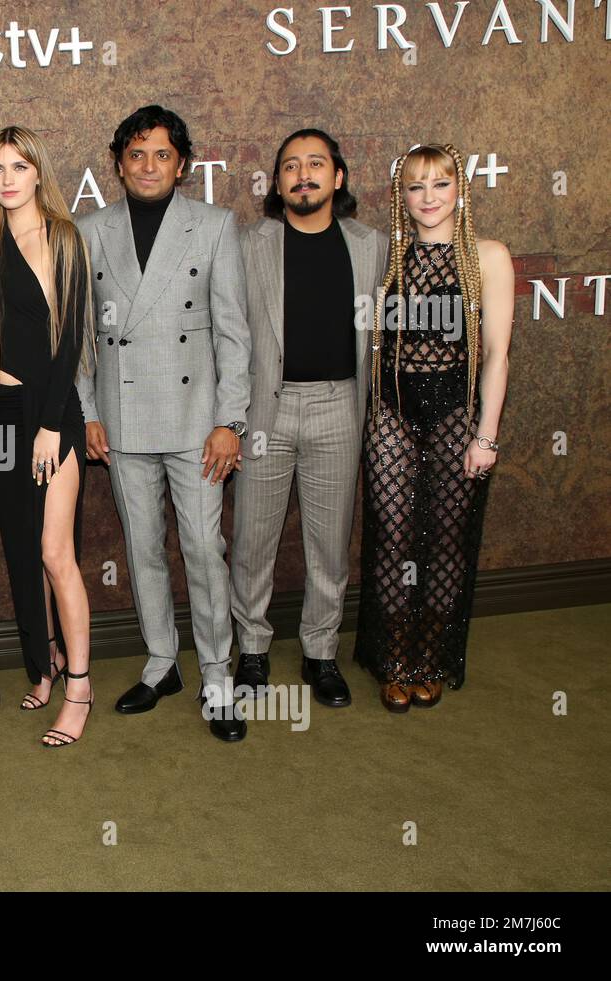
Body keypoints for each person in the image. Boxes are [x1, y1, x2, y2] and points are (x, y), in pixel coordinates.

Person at [75, 105, 252, 741]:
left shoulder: (214, 225)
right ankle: (159, 661)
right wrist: (88, 411)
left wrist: (231, 419)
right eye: (136, 154)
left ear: (183, 165)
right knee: (143, 546)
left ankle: (216, 674)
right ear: (119, 164)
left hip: (197, 418)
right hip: (121, 418)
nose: (148, 166)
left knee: (205, 548)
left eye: (162, 155)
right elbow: (79, 338)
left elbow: (233, 333)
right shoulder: (89, 229)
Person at [230, 129, 387, 711]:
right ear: (277, 182)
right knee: (251, 539)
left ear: (337, 177)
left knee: (330, 543)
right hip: (265, 407)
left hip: (340, 404)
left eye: (315, 164)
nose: (303, 175)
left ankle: (321, 652)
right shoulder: (250, 245)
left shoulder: (372, 245)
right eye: (290, 166)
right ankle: (251, 648)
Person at [356, 144, 512, 712]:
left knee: (445, 541)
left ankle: (432, 657)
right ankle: (396, 657)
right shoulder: (389, 258)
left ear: (459, 190)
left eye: (440, 185)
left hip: (456, 414)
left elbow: (496, 354)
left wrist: (485, 434)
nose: (428, 198)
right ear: (403, 195)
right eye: (417, 187)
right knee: (393, 538)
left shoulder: (487, 257)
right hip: (391, 413)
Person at [0, 125, 92, 748]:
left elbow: (69, 340)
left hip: (49, 416)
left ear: (39, 171)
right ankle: (45, 665)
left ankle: (80, 689)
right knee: (20, 548)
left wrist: (49, 424)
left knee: (53, 552)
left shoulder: (63, 238)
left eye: (19, 165)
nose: (8, 178)